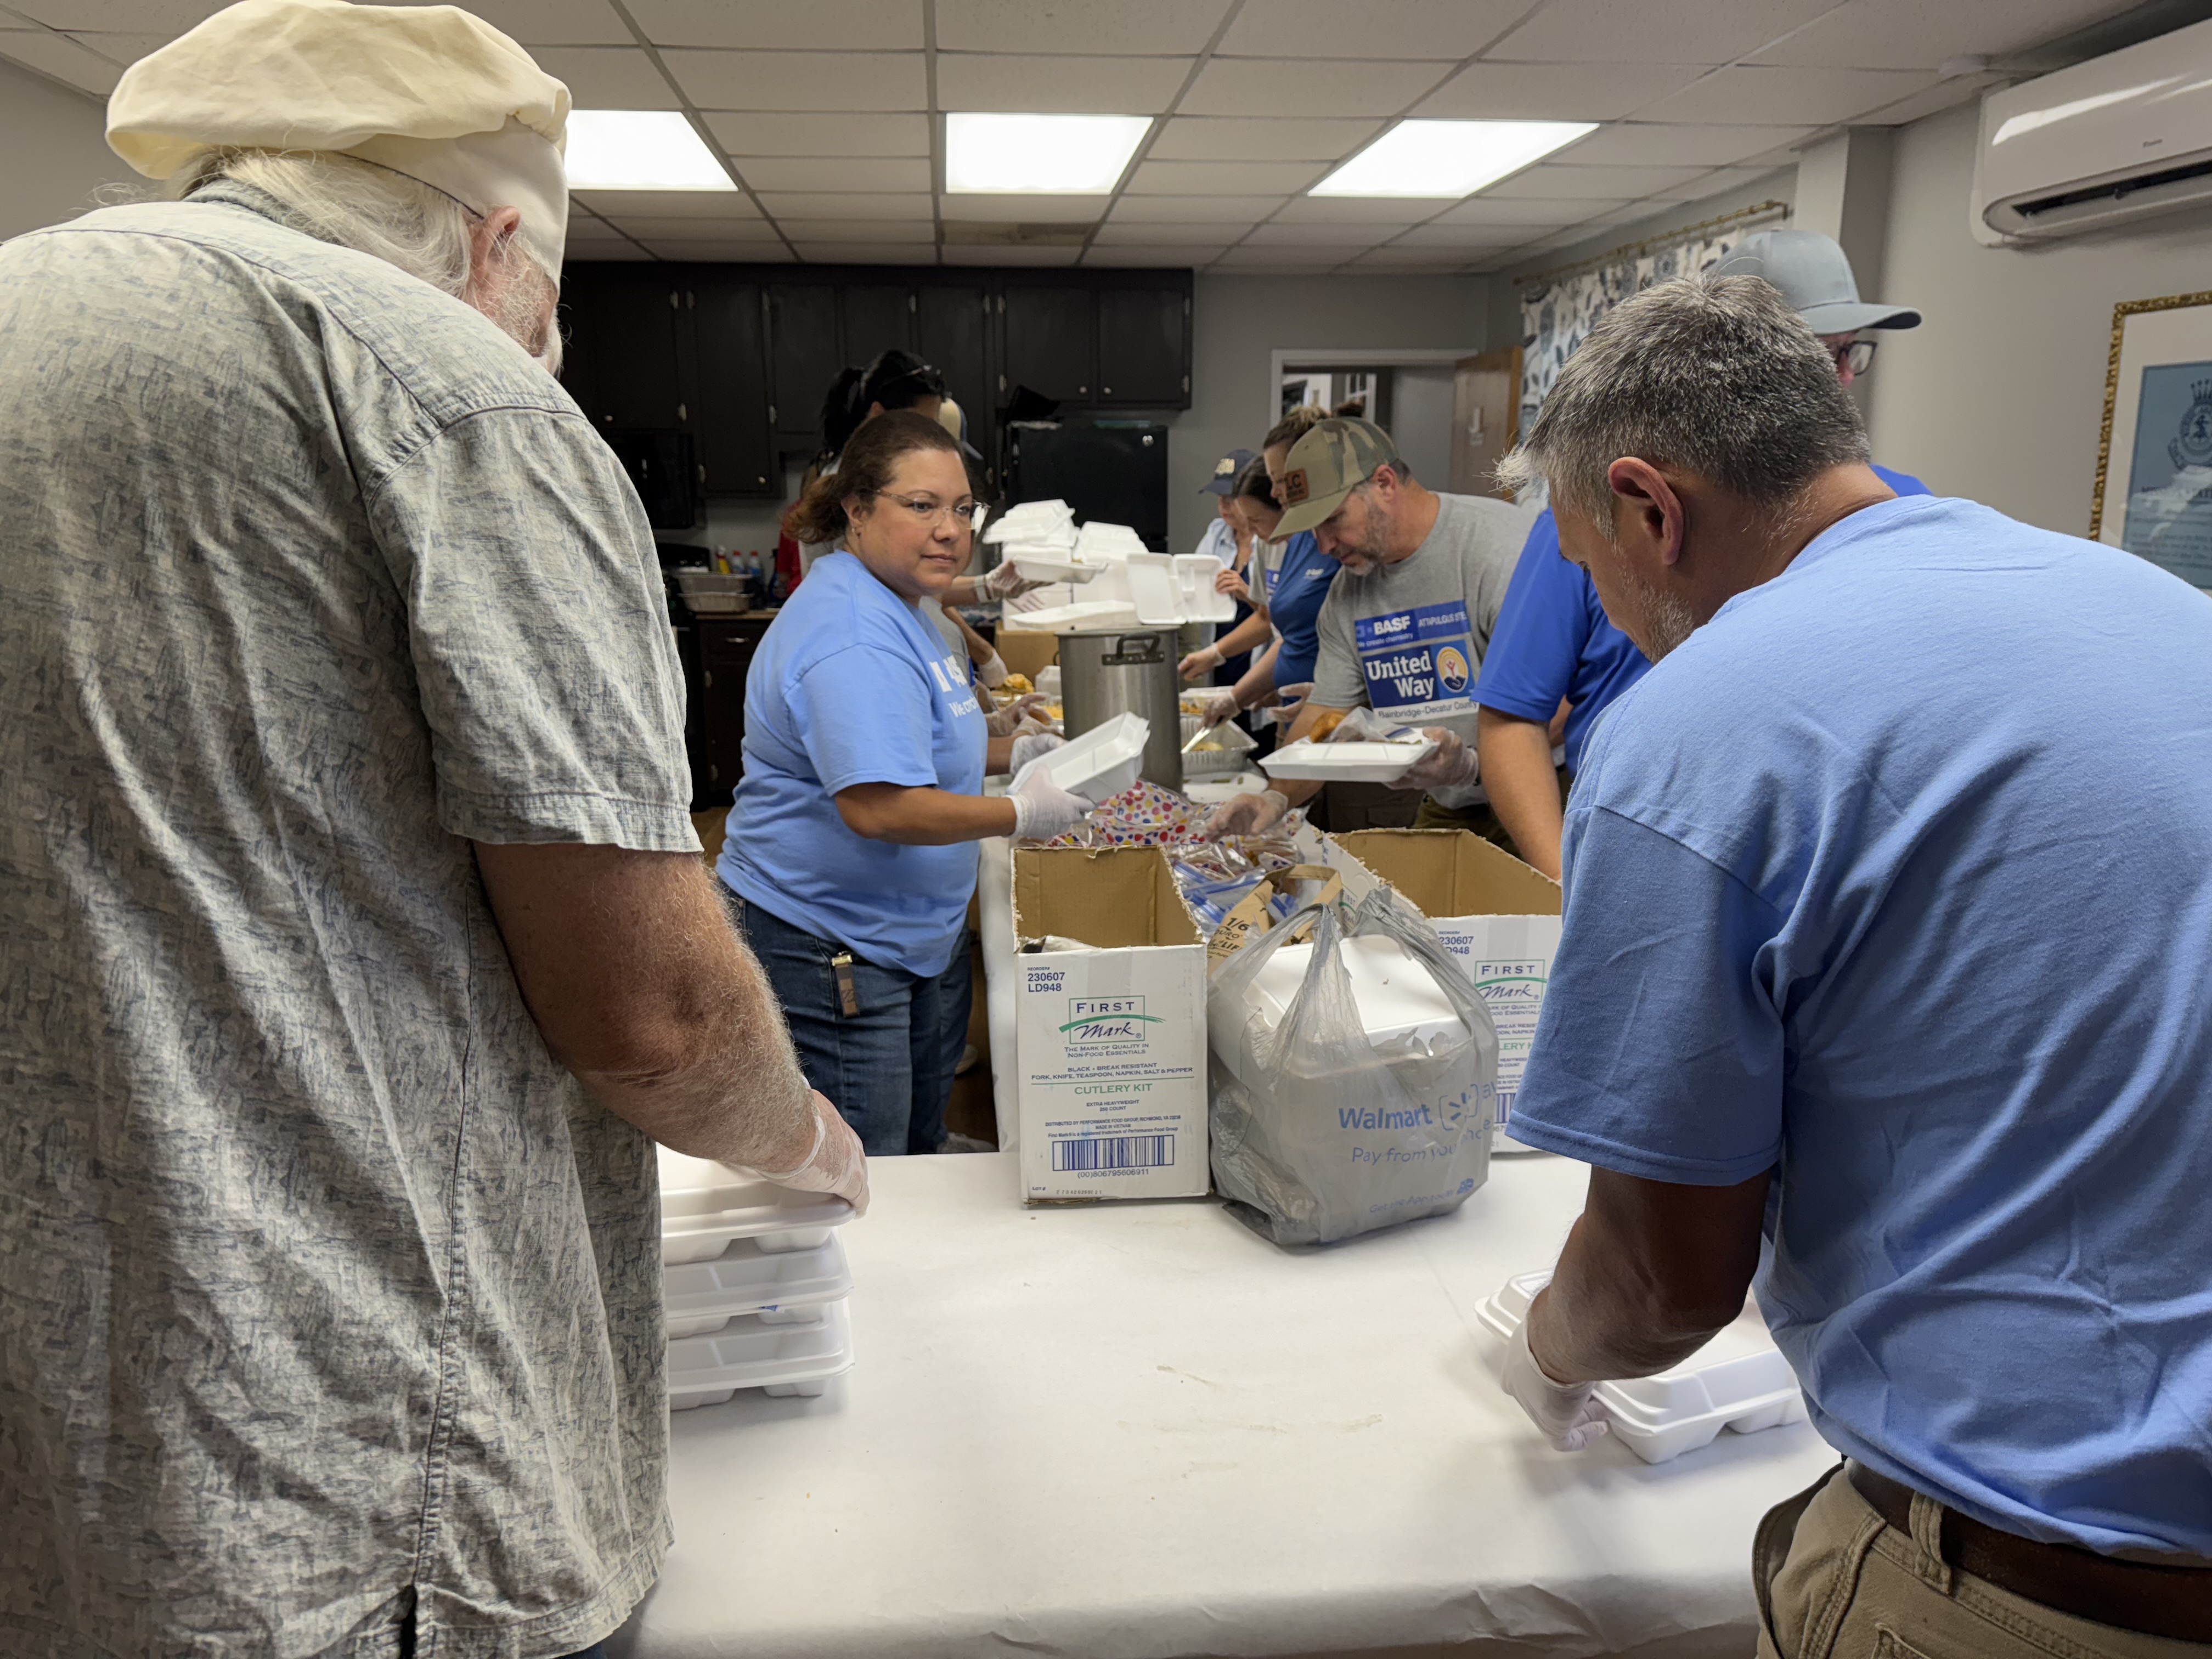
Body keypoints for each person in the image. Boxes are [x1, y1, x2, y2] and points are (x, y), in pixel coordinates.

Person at [0, 5, 870, 1657]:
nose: (546, 340)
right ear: (497, 237)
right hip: (344, 1483)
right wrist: (800, 1139)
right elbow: (656, 1018)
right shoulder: (447, 394)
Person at [1491, 275, 2212, 1653]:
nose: (1609, 611)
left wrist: (1545, 1349)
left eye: (1590, 564)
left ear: (1653, 509)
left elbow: (1659, 1287)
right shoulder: (2154, 603)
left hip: (2050, 1579)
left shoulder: (1697, 731)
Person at [1477, 227, 1927, 878]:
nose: (1843, 375)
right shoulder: (1595, 516)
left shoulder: (1901, 517)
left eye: (1848, 351)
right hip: (1635, 822)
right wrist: (1565, 884)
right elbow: (1513, 714)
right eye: (1817, 352)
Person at [717, 412, 1090, 1156]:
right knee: (870, 1167)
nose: (950, 529)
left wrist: (1008, 751)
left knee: (919, 1140)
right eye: (921, 507)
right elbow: (878, 806)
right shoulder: (852, 631)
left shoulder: (904, 605)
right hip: (831, 941)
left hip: (905, 936)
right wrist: (1016, 812)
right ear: (857, 510)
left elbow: (920, 743)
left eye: (961, 508)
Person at [1202, 418, 1537, 840]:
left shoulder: (1498, 550)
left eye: (1334, 519)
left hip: (1546, 786)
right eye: (1313, 530)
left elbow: (1553, 703)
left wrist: (1472, 763)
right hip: (1452, 798)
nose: (1324, 545)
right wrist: (1275, 797)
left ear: (1384, 484)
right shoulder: (1348, 595)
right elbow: (1325, 713)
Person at [1182, 407, 1339, 726]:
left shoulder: (1334, 547)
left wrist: (1334, 696)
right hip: (1293, 706)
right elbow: (1289, 637)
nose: (1276, 492)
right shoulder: (1283, 544)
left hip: (1330, 711)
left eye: (1281, 483)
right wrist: (1237, 695)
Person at [1179, 454, 1269, 690]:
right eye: (1220, 497)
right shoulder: (1217, 533)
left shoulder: (1271, 541)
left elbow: (1278, 618)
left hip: (1259, 661)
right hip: (1219, 659)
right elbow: (1190, 579)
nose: (1224, 505)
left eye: (1231, 497)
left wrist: (1247, 592)